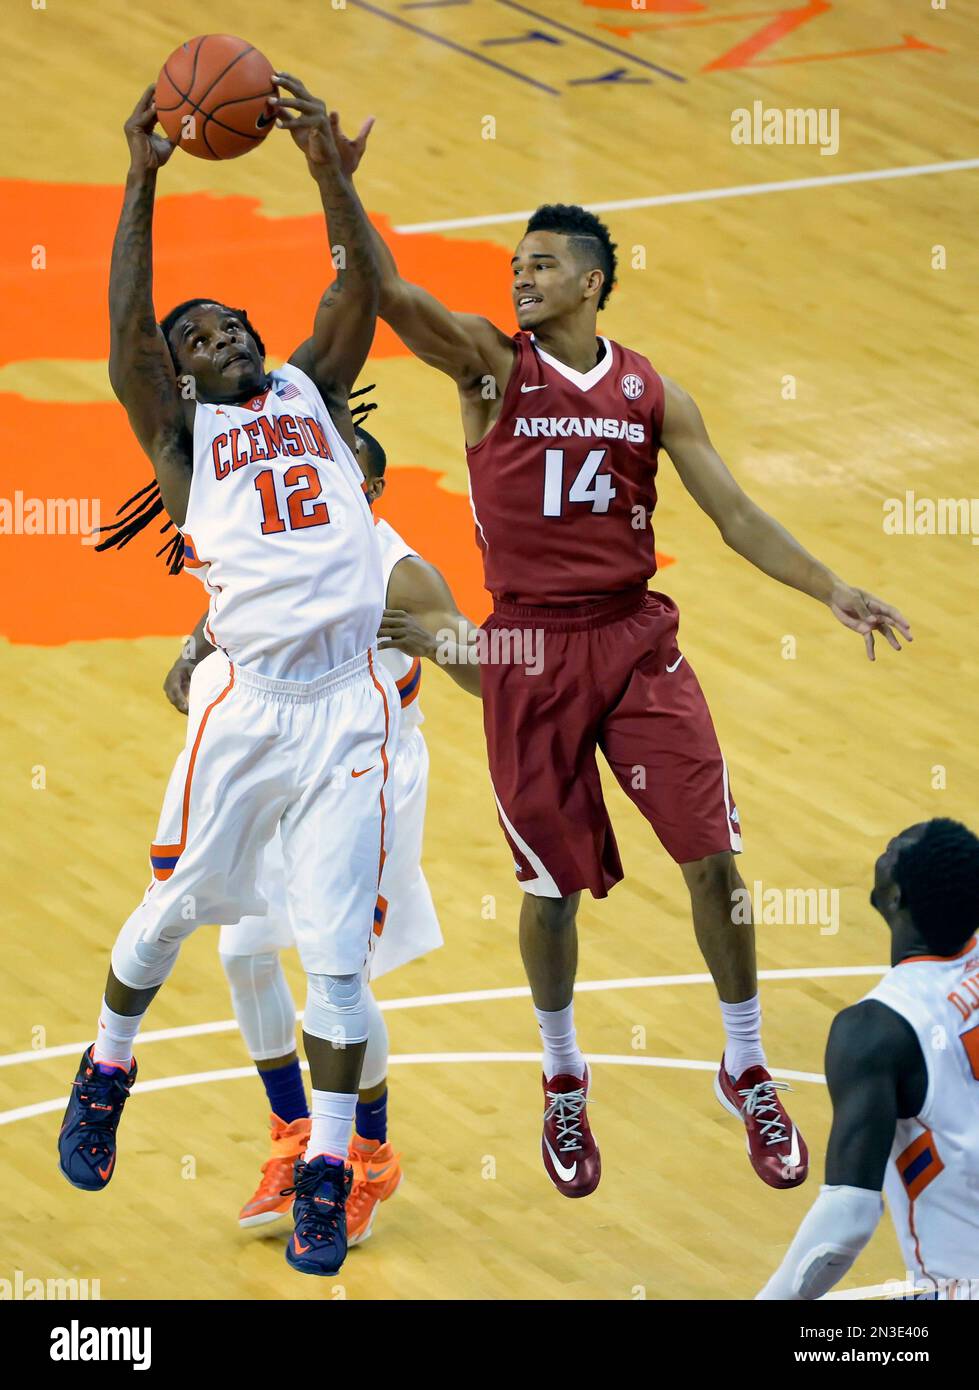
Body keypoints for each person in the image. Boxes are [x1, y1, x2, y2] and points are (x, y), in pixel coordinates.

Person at [335, 114, 912, 1198]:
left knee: (715, 860)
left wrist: (831, 586)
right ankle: (562, 1077)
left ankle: (744, 1063)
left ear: (593, 281)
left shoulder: (651, 392)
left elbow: (733, 513)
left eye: (541, 265)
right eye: (514, 266)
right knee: (551, 891)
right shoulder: (486, 368)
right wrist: (334, 180)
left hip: (636, 640)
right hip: (529, 646)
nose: (521, 279)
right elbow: (391, 298)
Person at [58, 78, 395, 1278]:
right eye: (199, 340)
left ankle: (328, 1164)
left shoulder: (305, 386)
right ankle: (106, 1067)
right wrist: (143, 173)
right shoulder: (183, 435)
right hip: (251, 709)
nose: (227, 340)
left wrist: (327, 173)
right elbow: (123, 330)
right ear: (179, 376)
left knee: (338, 963)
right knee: (177, 912)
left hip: (353, 704)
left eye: (234, 326)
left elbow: (362, 287)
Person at [163, 422, 480, 1246]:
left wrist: (442, 645)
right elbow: (203, 648)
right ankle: (296, 1139)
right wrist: (196, 657)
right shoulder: (276, 540)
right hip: (278, 758)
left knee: (335, 977)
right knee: (240, 954)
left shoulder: (398, 572)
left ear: (367, 492)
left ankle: (364, 1158)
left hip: (366, 774)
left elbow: (491, 671)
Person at [758, 819, 979, 1301]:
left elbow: (848, 1218)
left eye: (895, 849)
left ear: (895, 897)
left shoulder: (879, 1031)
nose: (888, 844)